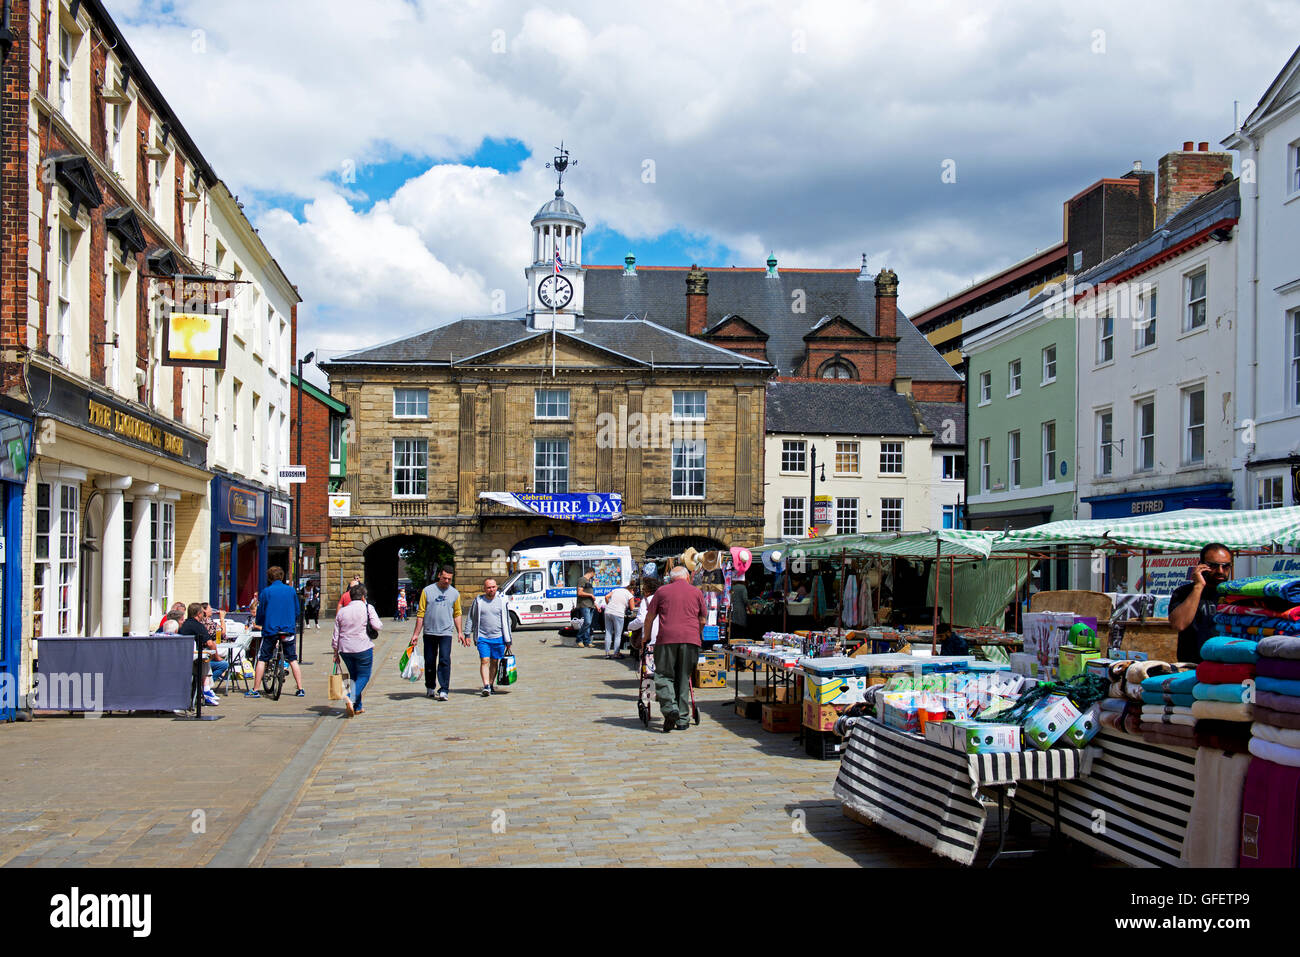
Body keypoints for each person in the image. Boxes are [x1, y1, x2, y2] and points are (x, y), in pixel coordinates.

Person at [644, 566, 708, 733]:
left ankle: (670, 708)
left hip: (666, 639)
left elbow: (649, 617)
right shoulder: (696, 592)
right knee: (683, 677)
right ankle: (682, 719)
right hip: (691, 639)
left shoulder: (662, 591)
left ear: (670, 578)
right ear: (687, 577)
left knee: (664, 676)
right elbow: (702, 619)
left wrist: (645, 637)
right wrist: (696, 634)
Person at [1169, 543, 1234, 663]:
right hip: (1193, 667)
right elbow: (1179, 624)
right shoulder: (1184, 592)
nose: (1220, 571)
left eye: (1225, 566)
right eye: (1213, 566)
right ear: (1201, 566)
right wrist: (1198, 586)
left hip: (1228, 665)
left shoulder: (1236, 594)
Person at [247, 566, 305, 698]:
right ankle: (300, 688)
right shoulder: (291, 591)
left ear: (269, 578)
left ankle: (255, 689)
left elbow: (260, 613)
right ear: (282, 577)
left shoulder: (266, 592)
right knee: (292, 659)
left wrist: (260, 622)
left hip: (271, 630)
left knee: (262, 658)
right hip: (287, 629)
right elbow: (297, 610)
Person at [413, 566, 464, 701]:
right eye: (444, 578)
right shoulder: (427, 591)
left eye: (449, 579)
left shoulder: (454, 593)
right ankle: (430, 686)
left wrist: (460, 632)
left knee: (444, 660)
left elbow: (457, 613)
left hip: (446, 632)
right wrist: (415, 634)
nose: (447, 581)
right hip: (429, 631)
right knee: (430, 661)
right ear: (439, 576)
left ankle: (444, 689)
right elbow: (421, 613)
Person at [332, 582, 380, 717]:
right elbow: (377, 626)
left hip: (345, 649)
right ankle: (349, 696)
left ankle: (357, 706)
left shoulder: (342, 611)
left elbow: (336, 634)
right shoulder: (367, 608)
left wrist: (335, 653)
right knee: (364, 676)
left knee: (354, 676)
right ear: (364, 596)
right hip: (362, 647)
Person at [467, 578, 513, 696]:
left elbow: (507, 621)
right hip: (483, 637)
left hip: (498, 637)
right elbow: (471, 618)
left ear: (496, 587)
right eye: (488, 587)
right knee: (484, 660)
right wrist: (467, 633)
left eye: (493, 587)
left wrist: (508, 639)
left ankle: (491, 684)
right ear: (484, 589)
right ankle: (486, 685)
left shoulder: (502, 601)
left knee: (494, 661)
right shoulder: (479, 601)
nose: (491, 589)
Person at [179, 603, 223, 708]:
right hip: (192, 661)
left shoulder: (183, 625)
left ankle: (206, 690)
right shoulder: (198, 626)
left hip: (180, 658)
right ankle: (206, 690)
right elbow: (210, 643)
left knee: (204, 660)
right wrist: (213, 656)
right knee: (206, 660)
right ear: (199, 614)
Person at [601, 581, 634, 659]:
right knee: (618, 635)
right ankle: (616, 653)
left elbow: (606, 596)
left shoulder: (617, 590)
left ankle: (607, 654)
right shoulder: (630, 595)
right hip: (618, 613)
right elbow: (633, 608)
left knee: (608, 633)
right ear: (632, 590)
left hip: (608, 611)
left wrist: (609, 604)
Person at [574, 568, 597, 648]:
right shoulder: (582, 580)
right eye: (594, 574)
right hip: (584, 604)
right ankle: (579, 639)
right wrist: (590, 595)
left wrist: (595, 604)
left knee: (588, 624)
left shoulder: (588, 582)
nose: (593, 576)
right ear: (591, 572)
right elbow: (579, 592)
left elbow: (590, 593)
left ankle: (587, 641)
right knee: (587, 622)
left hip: (591, 605)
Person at [728, 578, 748, 643]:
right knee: (741, 628)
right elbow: (745, 599)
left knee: (734, 627)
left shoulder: (732, 587)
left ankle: (733, 641)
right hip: (741, 610)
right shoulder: (743, 587)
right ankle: (740, 641)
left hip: (733, 610)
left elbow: (730, 598)